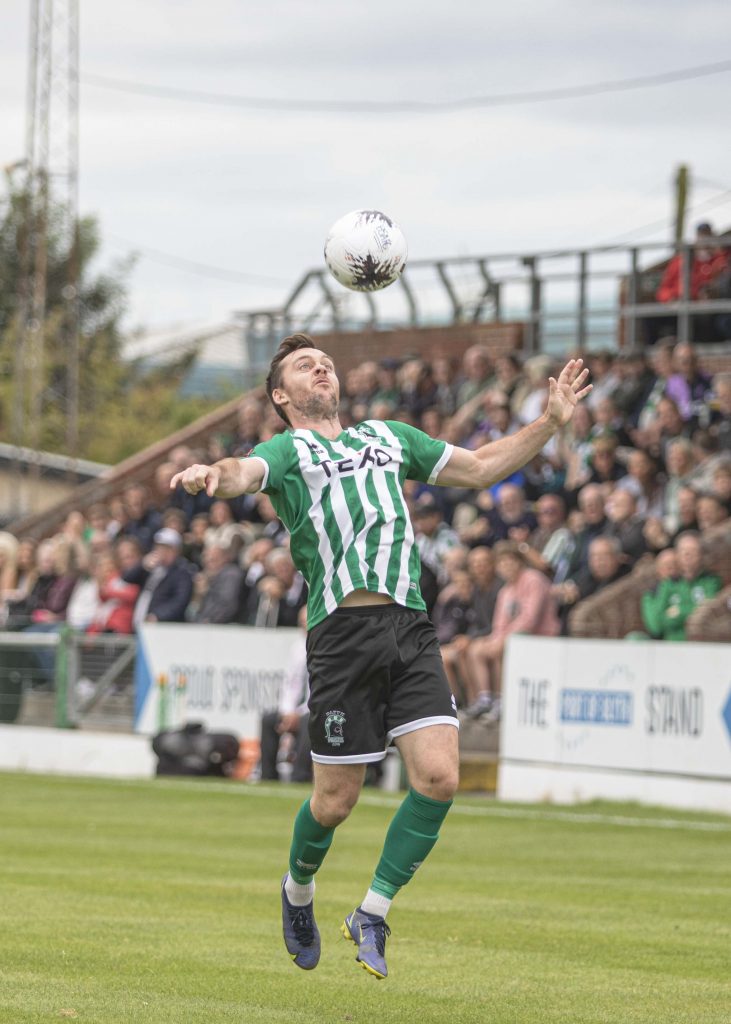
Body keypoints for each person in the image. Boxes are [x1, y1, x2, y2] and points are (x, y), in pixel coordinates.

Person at [170, 332, 591, 980]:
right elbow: (242, 473)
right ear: (282, 394)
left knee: (439, 778)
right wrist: (210, 475)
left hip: (411, 628)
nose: (322, 369)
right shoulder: (288, 449)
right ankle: (298, 890)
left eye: (326, 362)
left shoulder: (389, 437)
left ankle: (372, 911)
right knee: (335, 802)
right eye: (305, 366)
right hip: (341, 638)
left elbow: (479, 466)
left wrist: (548, 422)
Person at [259, 607, 312, 783]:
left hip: (315, 708)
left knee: (308, 721)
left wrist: (300, 712)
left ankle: (300, 776)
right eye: (301, 624)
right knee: (268, 719)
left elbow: (319, 688)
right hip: (295, 710)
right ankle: (267, 776)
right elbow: (291, 683)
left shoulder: (328, 647)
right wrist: (287, 711)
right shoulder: (298, 647)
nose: (304, 627)